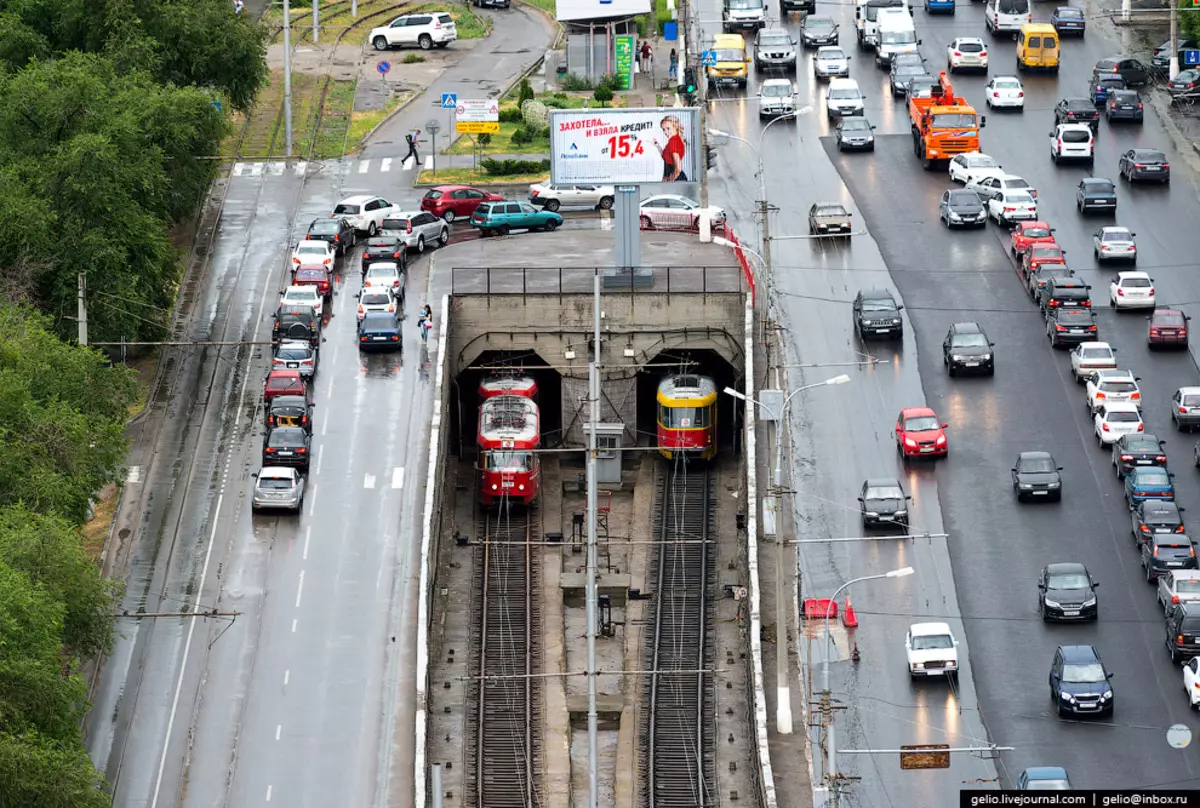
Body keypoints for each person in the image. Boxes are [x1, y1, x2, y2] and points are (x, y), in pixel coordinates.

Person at [657, 115, 688, 182]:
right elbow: (666, 157)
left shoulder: (673, 142)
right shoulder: (674, 140)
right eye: (663, 129)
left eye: (668, 128)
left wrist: (671, 179)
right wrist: (658, 146)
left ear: (675, 127)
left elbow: (678, 168)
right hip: (673, 177)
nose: (665, 132)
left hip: (676, 180)